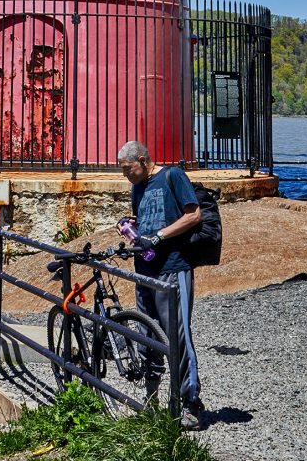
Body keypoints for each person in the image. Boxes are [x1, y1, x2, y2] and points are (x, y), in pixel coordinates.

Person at [117, 139, 204, 430]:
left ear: (143, 159)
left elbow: (194, 215)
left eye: (129, 169)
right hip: (145, 271)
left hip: (172, 269)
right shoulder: (136, 187)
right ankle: (152, 402)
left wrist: (159, 237)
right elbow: (143, 222)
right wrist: (130, 228)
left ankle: (191, 403)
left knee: (178, 337)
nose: (126, 175)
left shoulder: (172, 176)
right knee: (147, 336)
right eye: (123, 171)